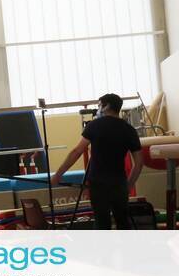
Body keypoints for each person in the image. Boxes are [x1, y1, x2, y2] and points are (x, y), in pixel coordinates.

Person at [52, 93, 143, 230]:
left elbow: (76, 152)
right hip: (119, 183)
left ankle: (102, 250)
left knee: (102, 223)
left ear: (107, 106)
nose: (98, 108)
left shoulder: (94, 126)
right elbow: (139, 163)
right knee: (123, 223)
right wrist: (129, 185)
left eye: (99, 105)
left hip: (98, 183)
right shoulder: (129, 130)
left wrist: (58, 175)